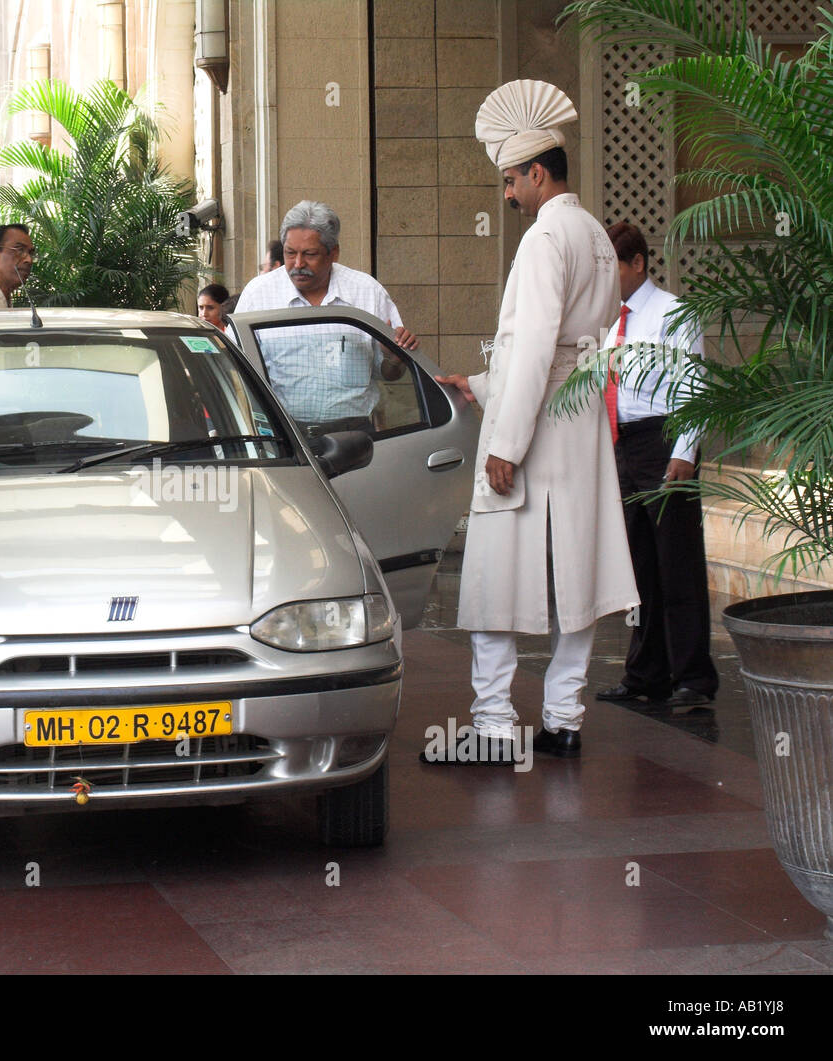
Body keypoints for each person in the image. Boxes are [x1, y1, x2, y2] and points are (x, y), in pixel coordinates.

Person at [425, 80, 637, 763]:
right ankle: (563, 720)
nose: (506, 194)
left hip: (538, 430)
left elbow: (540, 344)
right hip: (576, 425)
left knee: (493, 580)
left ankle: (491, 729)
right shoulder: (597, 236)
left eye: (510, 179)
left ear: (537, 172)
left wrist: (506, 443)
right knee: (576, 577)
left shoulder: (547, 236)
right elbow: (562, 347)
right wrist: (483, 383)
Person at [596, 222, 718, 708]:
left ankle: (693, 677)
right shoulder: (610, 323)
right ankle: (646, 675)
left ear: (637, 263)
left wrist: (685, 453)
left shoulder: (673, 313)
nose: (605, 280)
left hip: (666, 439)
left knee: (678, 563)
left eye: (612, 268)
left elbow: (696, 386)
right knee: (639, 567)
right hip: (623, 445)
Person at [233, 200, 418, 432]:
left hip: (356, 437)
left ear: (334, 253)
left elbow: (389, 374)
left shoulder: (367, 293)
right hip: (283, 439)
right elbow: (234, 370)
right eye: (290, 253)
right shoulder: (258, 295)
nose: (298, 264)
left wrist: (394, 358)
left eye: (310, 254)